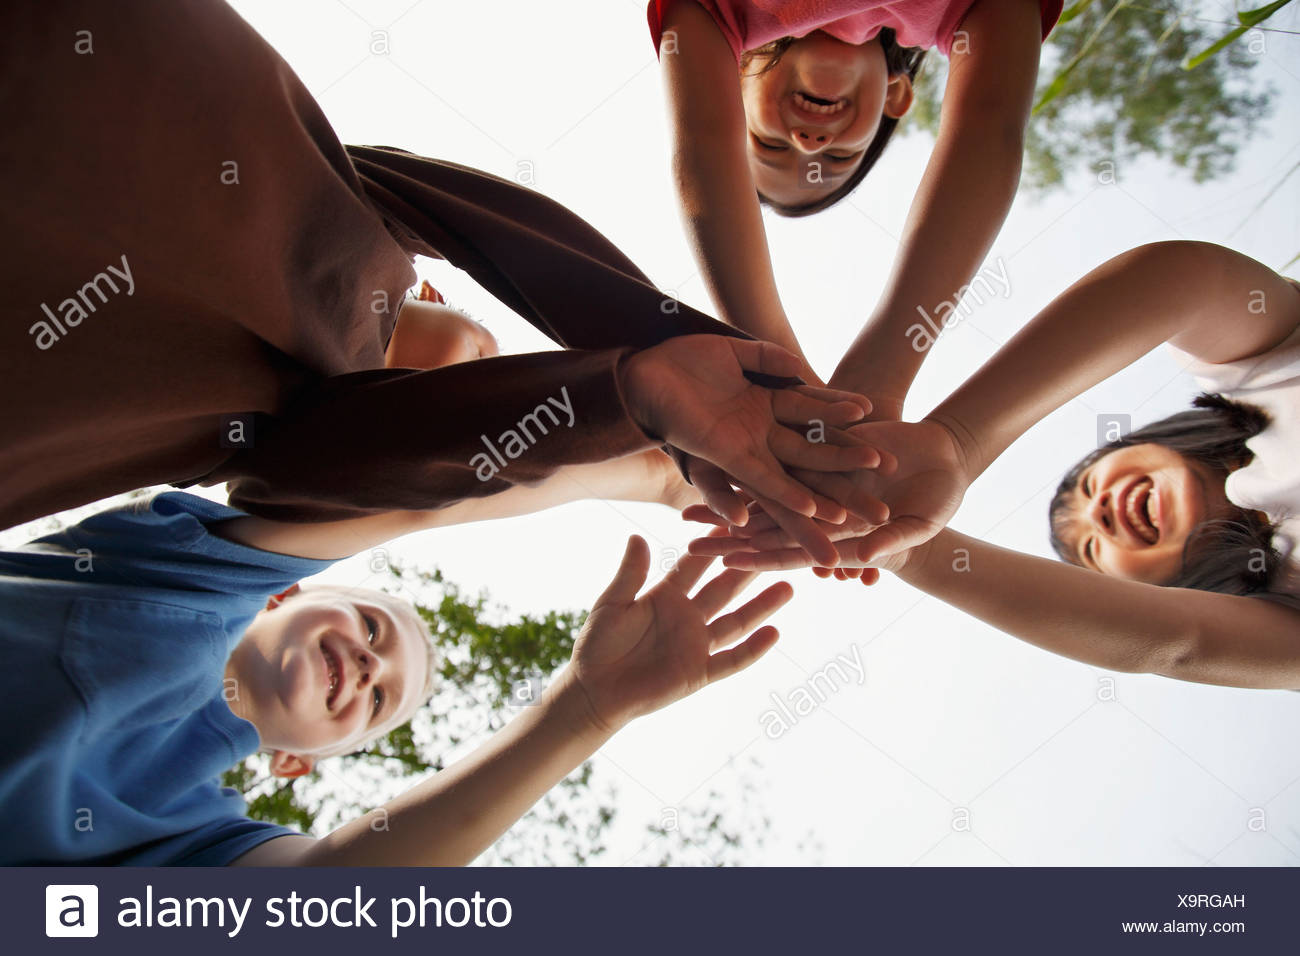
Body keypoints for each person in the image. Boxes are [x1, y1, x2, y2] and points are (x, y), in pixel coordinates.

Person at [0, 0, 879, 563]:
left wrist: (634, 391)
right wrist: (659, 354)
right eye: (493, 351)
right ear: (425, 287)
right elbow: (480, 225)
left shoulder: (289, 440)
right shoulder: (350, 204)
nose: (488, 360)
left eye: (492, 383)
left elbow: (407, 456)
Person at [0, 470, 791, 864]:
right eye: (373, 626)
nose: (371, 666)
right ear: (285, 594)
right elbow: (420, 498)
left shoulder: (193, 839)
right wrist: (647, 472)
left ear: (294, 762)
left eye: (378, 703)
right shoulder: (187, 578)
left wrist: (581, 711)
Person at [691, 242, 1300, 689]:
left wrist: (962, 439)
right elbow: (1175, 644)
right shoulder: (1286, 617)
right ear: (1157, 593)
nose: (1099, 512)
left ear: (1156, 441)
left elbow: (1183, 281)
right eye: (1092, 552)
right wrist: (911, 551)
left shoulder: (1268, 376)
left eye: (1090, 482)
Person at [648, 0, 1061, 406]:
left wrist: (773, 363)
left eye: (768, 144)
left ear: (729, 76)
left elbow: (704, 141)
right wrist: (879, 378)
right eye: (839, 156)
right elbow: (989, 130)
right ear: (895, 96)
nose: (810, 144)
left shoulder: (722, 13)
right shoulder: (965, 12)